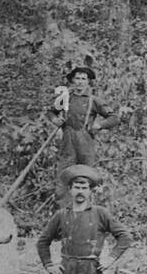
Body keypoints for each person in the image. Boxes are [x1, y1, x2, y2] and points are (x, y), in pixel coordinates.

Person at [48, 65, 120, 207]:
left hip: (86, 143)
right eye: (77, 78)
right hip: (68, 142)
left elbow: (114, 118)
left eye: (83, 79)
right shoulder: (65, 98)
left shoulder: (94, 101)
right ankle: (63, 211)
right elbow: (51, 112)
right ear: (72, 81)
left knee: (85, 175)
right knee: (65, 175)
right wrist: (55, 120)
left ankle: (84, 209)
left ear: (88, 81)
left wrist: (99, 125)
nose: (80, 81)